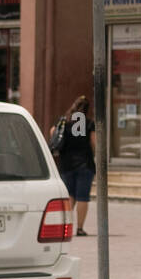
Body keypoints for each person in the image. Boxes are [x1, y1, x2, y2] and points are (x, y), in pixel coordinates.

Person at [49, 94, 96, 235]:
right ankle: (80, 228)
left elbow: (53, 134)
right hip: (84, 164)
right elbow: (94, 143)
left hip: (66, 163)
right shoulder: (88, 123)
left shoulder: (63, 122)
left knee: (70, 195)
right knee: (82, 197)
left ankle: (66, 228)